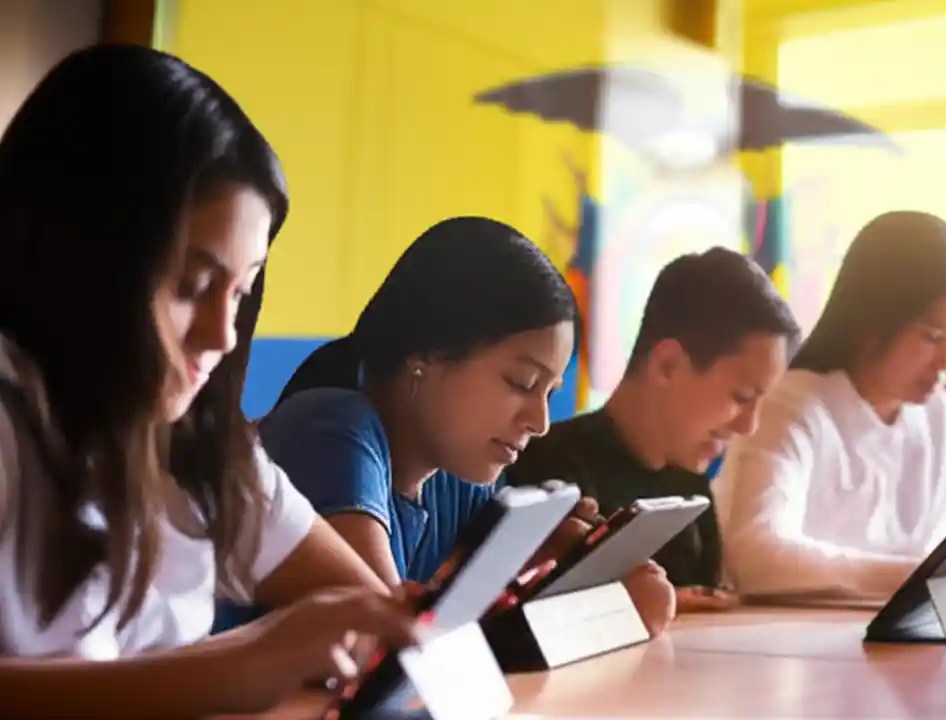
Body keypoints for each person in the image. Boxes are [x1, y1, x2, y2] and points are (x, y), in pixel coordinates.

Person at [0, 46, 418, 718]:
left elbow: (367, 609)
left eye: (243, 291)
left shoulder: (196, 445)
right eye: (195, 286)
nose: (223, 335)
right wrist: (237, 665)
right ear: (81, 254)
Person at [237, 216, 676, 636]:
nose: (540, 421)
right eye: (521, 382)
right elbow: (386, 639)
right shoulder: (331, 430)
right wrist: (599, 608)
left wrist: (567, 557)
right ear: (424, 355)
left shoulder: (454, 479)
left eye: (549, 392)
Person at [714, 211, 946, 604]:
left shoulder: (944, 416)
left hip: (902, 648)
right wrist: (942, 576)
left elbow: (944, 553)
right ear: (873, 322)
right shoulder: (791, 406)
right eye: (932, 337)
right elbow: (757, 558)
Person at [508, 248, 800, 613]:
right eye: (741, 397)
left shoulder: (691, 491)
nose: (749, 426)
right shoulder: (546, 472)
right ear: (668, 364)